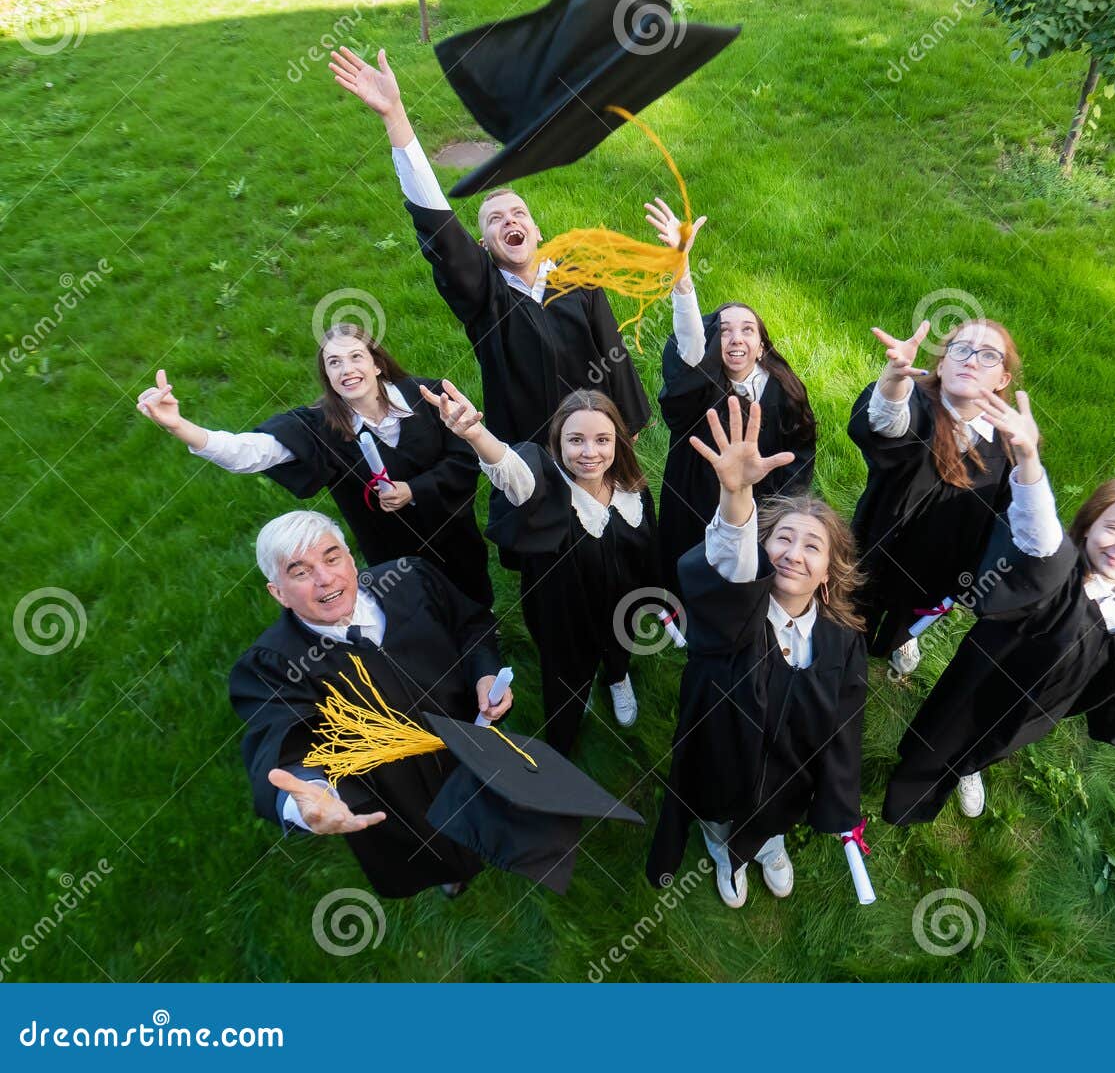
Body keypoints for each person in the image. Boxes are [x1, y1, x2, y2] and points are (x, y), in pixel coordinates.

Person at [881, 391, 1115, 827]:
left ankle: (970, 767)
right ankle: (909, 797)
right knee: (940, 740)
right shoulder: (1056, 570)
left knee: (997, 744)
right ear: (1088, 527)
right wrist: (1028, 457)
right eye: (1114, 528)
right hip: (986, 681)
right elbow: (1038, 522)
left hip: (1043, 705)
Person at [329, 45, 651, 445]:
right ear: (483, 246)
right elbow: (440, 225)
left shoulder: (576, 280)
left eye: (519, 214)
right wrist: (395, 116)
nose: (510, 220)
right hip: (530, 446)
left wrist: (630, 422)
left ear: (537, 233)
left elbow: (611, 346)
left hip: (595, 439)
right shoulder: (485, 297)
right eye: (495, 219)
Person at [646, 396, 868, 908]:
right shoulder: (734, 616)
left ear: (830, 571)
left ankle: (767, 844)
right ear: (763, 550)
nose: (793, 553)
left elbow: (843, 725)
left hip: (788, 772)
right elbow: (731, 560)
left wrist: (840, 802)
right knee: (718, 806)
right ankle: (724, 848)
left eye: (812, 547)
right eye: (782, 539)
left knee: (774, 812)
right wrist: (737, 497)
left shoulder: (842, 641)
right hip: (721, 748)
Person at [229, 510, 511, 898]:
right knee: (436, 848)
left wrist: (486, 672)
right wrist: (307, 799)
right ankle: (451, 874)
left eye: (331, 557)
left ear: (349, 555)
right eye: (300, 572)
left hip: (468, 738)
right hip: (398, 791)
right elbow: (282, 748)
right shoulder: (275, 666)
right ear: (277, 592)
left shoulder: (412, 579)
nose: (325, 579)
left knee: (493, 807)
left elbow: (471, 627)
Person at [135, 324, 492, 606]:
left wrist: (414, 490)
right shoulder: (318, 427)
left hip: (453, 532)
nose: (347, 369)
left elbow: (465, 457)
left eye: (355, 357)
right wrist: (180, 427)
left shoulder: (425, 395)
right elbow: (249, 452)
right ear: (327, 376)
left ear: (377, 364)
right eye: (334, 363)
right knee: (418, 611)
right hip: (391, 550)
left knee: (473, 596)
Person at [422, 382, 660, 753]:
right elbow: (512, 471)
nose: (589, 453)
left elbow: (649, 547)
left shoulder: (633, 489)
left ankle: (616, 677)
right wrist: (476, 434)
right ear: (558, 443)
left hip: (621, 601)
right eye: (576, 440)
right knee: (566, 671)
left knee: (619, 643)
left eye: (602, 440)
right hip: (563, 611)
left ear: (618, 442)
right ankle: (571, 710)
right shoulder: (545, 491)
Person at [646, 198, 817, 594]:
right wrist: (682, 275)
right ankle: (683, 612)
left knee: (747, 572)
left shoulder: (785, 392)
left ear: (761, 347)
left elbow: (801, 451)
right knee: (691, 561)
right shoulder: (701, 382)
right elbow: (690, 341)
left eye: (747, 330)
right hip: (696, 491)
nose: (735, 337)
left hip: (761, 498)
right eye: (723, 330)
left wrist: (782, 505)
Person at [848, 317, 1020, 679]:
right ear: (942, 364)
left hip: (942, 566)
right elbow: (886, 424)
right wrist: (895, 379)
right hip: (879, 543)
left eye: (988, 355)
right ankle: (847, 653)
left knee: (912, 615)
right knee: (855, 609)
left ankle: (901, 638)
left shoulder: (1006, 443)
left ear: (1003, 379)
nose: (972, 360)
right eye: (961, 350)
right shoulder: (917, 406)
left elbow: (1006, 517)